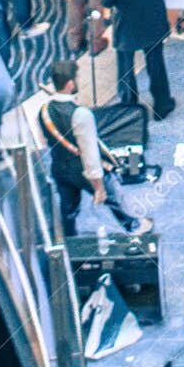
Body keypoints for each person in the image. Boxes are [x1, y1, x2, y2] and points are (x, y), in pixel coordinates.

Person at [40, 58, 149, 237]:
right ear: (70, 84)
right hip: (82, 170)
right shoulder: (81, 114)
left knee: (68, 208)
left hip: (59, 168)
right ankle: (133, 226)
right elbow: (89, 154)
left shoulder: (44, 110)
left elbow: (47, 138)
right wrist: (99, 187)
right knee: (113, 198)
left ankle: (69, 238)